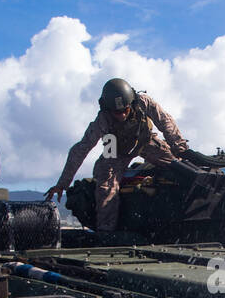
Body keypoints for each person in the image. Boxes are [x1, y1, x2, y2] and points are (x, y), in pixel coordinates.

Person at [46, 78, 189, 231]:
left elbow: (166, 122)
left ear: (131, 104)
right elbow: (81, 149)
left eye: (125, 110)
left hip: (143, 140)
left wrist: (181, 149)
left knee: (180, 167)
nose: (121, 115)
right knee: (106, 188)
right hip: (114, 147)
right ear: (108, 109)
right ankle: (106, 232)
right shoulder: (103, 120)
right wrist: (62, 184)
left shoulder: (143, 102)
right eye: (116, 112)